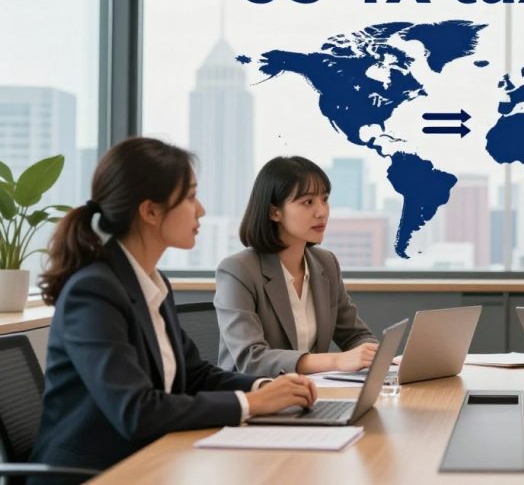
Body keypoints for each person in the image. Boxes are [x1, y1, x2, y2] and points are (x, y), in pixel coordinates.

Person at [30, 138, 317, 481]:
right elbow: (136, 411)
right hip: (96, 474)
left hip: (153, 459)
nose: (201, 210)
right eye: (191, 197)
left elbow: (195, 375)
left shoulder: (150, 281)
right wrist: (252, 404)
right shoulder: (94, 291)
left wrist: (266, 387)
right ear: (150, 211)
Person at [215, 156, 377, 376]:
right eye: (308, 202)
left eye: (325, 199)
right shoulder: (238, 270)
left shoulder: (326, 263)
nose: (322, 212)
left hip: (312, 394)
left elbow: (355, 335)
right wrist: (337, 360)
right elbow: (252, 358)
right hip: (255, 397)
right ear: (275, 212)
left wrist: (374, 354)